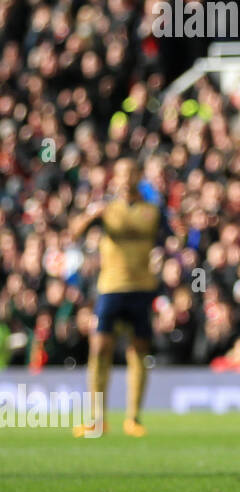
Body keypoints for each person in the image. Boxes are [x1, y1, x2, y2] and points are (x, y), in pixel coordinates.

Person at [67, 157, 167, 437]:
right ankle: (97, 419)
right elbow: (73, 233)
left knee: (139, 351)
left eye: (133, 171)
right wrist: (90, 215)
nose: (127, 177)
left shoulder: (153, 211)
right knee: (99, 349)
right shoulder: (106, 209)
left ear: (139, 175)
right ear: (115, 178)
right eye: (122, 173)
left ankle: (133, 418)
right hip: (110, 287)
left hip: (141, 288)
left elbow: (174, 241)